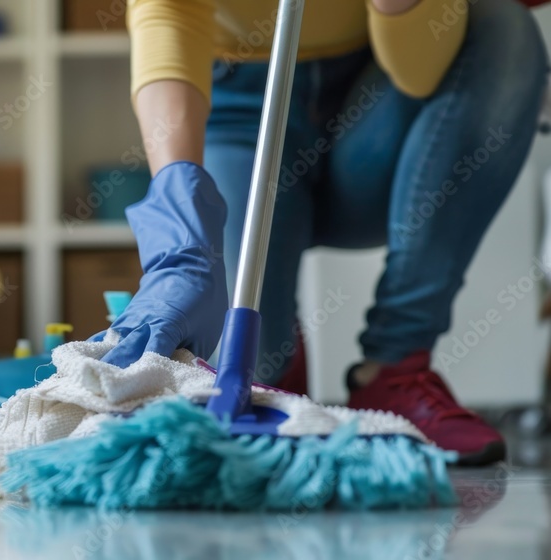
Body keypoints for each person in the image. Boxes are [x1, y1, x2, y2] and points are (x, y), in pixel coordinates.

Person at [100, 0, 548, 465]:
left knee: (500, 22)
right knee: (256, 367)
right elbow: (167, 12)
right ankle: (278, 368)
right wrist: (180, 230)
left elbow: (421, 77)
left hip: (378, 106)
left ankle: (395, 366)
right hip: (238, 111)